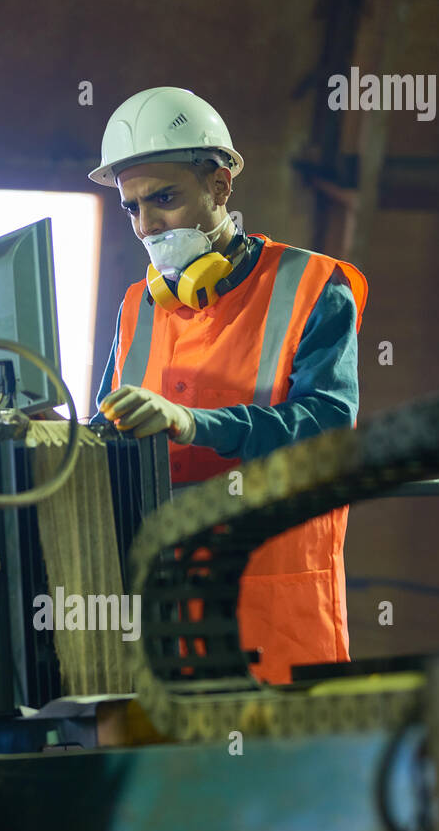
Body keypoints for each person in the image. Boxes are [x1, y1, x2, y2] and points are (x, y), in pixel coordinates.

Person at [88, 86, 368, 685]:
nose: (146, 224)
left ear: (220, 186)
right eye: (132, 207)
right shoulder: (138, 308)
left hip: (275, 625)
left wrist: (192, 423)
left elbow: (327, 427)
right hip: (158, 635)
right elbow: (108, 440)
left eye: (164, 198)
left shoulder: (311, 286)